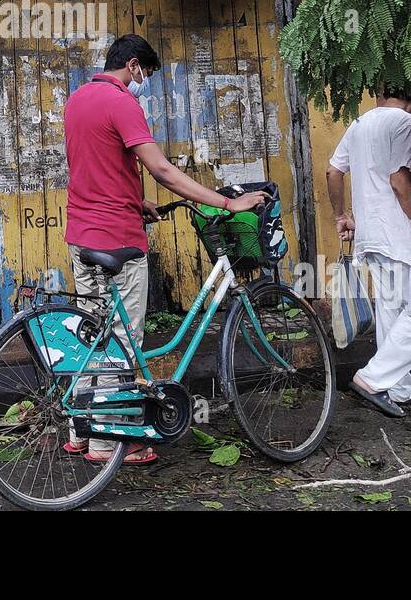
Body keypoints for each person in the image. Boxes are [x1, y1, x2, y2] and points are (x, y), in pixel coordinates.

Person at [61, 33, 266, 465]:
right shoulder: (121, 102)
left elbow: (96, 166)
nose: (145, 84)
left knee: (91, 338)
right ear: (134, 66)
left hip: (83, 235)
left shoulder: (77, 99)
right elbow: (162, 169)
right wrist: (228, 201)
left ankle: (80, 431)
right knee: (120, 341)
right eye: (147, 75)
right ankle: (107, 443)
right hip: (118, 239)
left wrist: (137, 201)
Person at [326, 72, 411, 418]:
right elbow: (401, 182)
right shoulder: (404, 122)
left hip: (370, 236)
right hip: (399, 233)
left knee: (392, 311)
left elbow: (333, 171)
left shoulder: (359, 123)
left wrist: (342, 215)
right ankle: (372, 378)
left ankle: (398, 387)